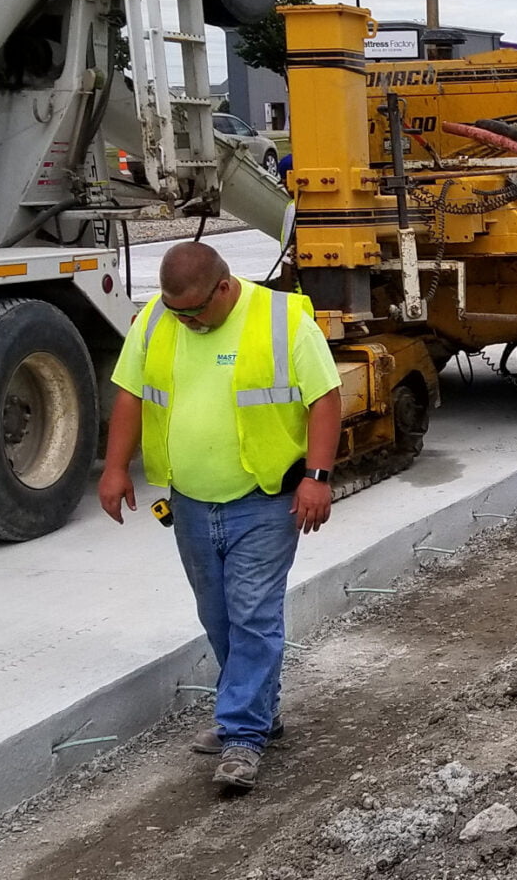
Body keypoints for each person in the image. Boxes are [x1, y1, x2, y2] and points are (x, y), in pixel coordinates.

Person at [99, 242, 342, 791]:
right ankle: (260, 711)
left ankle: (241, 735)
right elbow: (130, 394)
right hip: (189, 501)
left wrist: (318, 477)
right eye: (175, 310)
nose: (184, 321)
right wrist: (115, 469)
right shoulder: (160, 321)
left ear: (225, 288)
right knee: (219, 616)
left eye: (194, 312)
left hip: (264, 498)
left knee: (253, 613)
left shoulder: (280, 321)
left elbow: (324, 399)